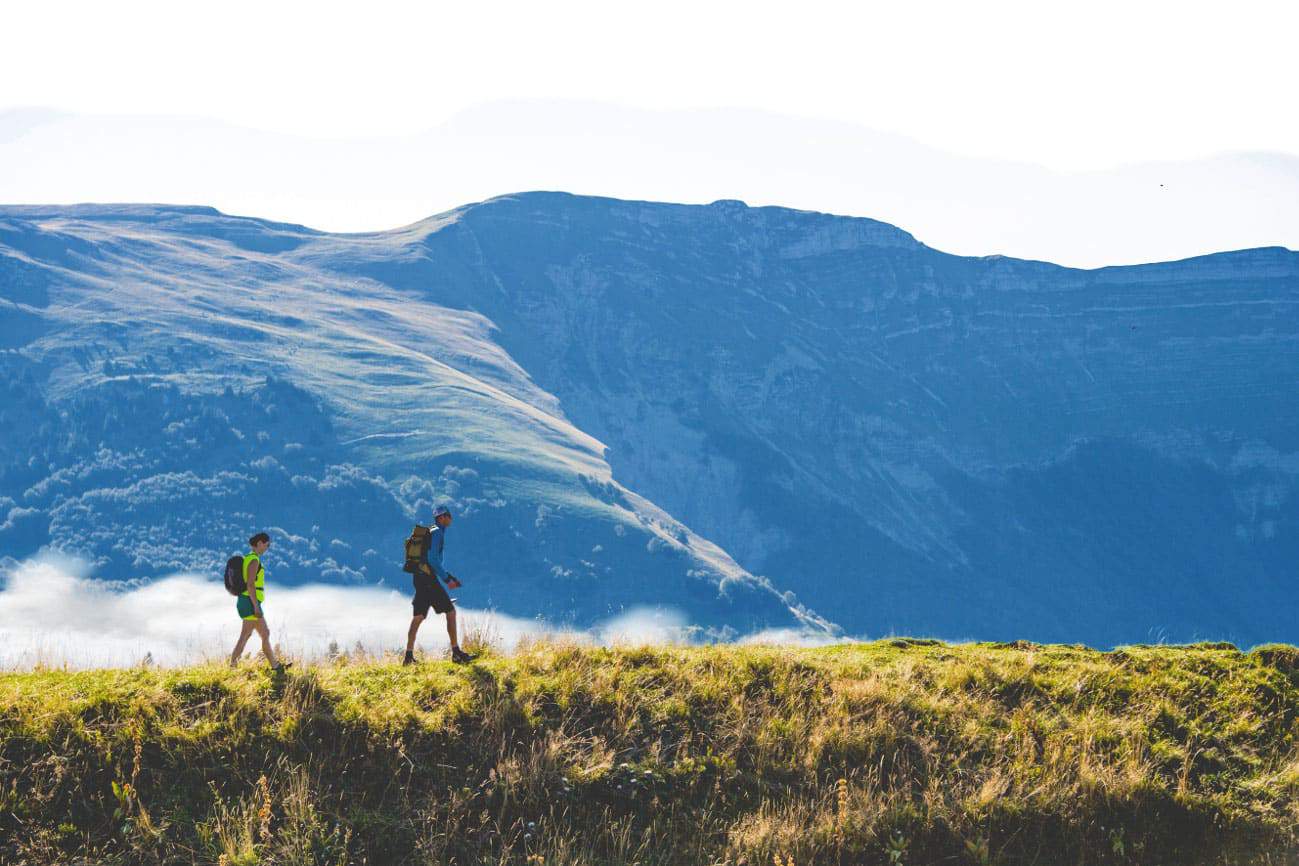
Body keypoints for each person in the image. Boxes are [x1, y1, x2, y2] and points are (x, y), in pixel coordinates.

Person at [405, 505, 475, 664]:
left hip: (419, 577)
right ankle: (456, 653)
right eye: (449, 515)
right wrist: (447, 580)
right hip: (429, 579)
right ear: (442, 517)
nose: (451, 518)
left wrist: (448, 576)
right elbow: (433, 559)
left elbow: (431, 560)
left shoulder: (430, 531)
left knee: (418, 617)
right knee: (450, 612)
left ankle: (408, 657)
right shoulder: (437, 533)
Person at [229, 532, 289, 672]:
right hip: (250, 602)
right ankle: (232, 667)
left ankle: (276, 666)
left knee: (263, 633)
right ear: (260, 543)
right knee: (245, 636)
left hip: (247, 601)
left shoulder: (249, 558)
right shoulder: (254, 560)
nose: (267, 548)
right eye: (267, 545)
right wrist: (256, 606)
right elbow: (250, 584)